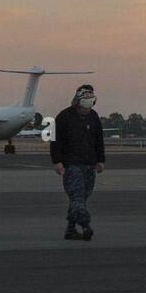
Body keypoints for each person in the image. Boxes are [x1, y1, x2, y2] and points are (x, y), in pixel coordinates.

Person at [49, 84, 106, 241]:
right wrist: (57, 161)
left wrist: (100, 160)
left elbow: (98, 139)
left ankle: (70, 229)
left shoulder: (93, 116)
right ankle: (85, 225)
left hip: (89, 164)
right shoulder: (64, 117)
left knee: (81, 197)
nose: (86, 111)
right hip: (72, 164)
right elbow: (55, 141)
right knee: (77, 197)